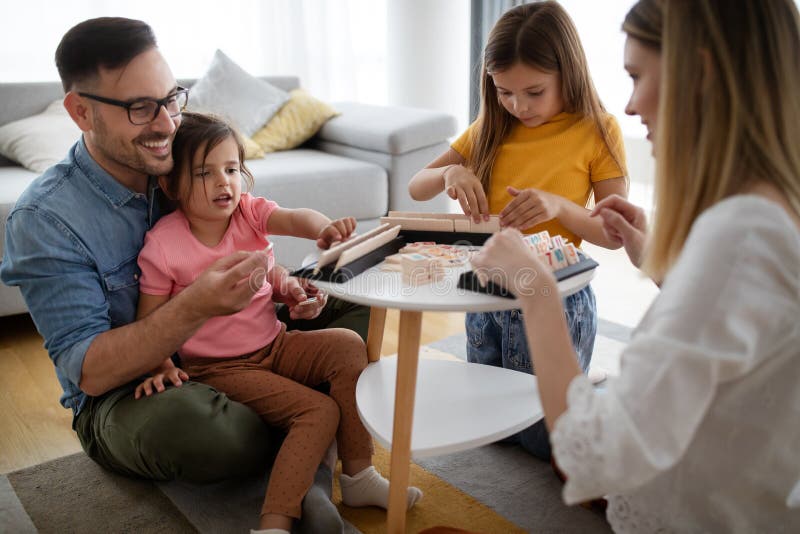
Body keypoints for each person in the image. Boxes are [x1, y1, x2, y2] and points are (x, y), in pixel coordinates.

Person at [0, 17, 367, 532]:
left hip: (246, 345)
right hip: (131, 389)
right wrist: (195, 306)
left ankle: (302, 440)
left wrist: (287, 289)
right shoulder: (46, 221)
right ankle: (307, 440)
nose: (167, 123)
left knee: (351, 288)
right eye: (139, 107)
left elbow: (251, 239)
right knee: (212, 433)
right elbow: (90, 371)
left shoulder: (187, 159)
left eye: (171, 98)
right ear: (81, 111)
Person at [470, 0, 800, 530]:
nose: (629, 105)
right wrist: (660, 262)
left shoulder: (740, 236)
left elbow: (594, 457)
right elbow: (741, 326)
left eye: (637, 75)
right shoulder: (774, 209)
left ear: (701, 73)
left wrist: (533, 283)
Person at [135, 111, 422, 533]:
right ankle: (274, 522)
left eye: (231, 169)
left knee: (347, 345)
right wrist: (160, 365)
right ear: (170, 185)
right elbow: (151, 320)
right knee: (318, 411)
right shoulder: (164, 244)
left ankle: (358, 476)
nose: (224, 182)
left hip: (276, 343)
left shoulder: (248, 214)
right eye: (204, 173)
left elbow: (291, 219)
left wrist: (321, 234)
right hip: (220, 368)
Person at [407, 1, 628, 461]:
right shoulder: (492, 125)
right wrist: (449, 175)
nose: (518, 106)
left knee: (544, 443)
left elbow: (613, 234)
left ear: (568, 72)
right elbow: (417, 186)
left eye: (534, 92)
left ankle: (585, 383)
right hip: (486, 298)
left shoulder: (598, 131)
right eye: (505, 91)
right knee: (495, 429)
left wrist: (561, 207)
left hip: (556, 299)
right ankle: (578, 381)